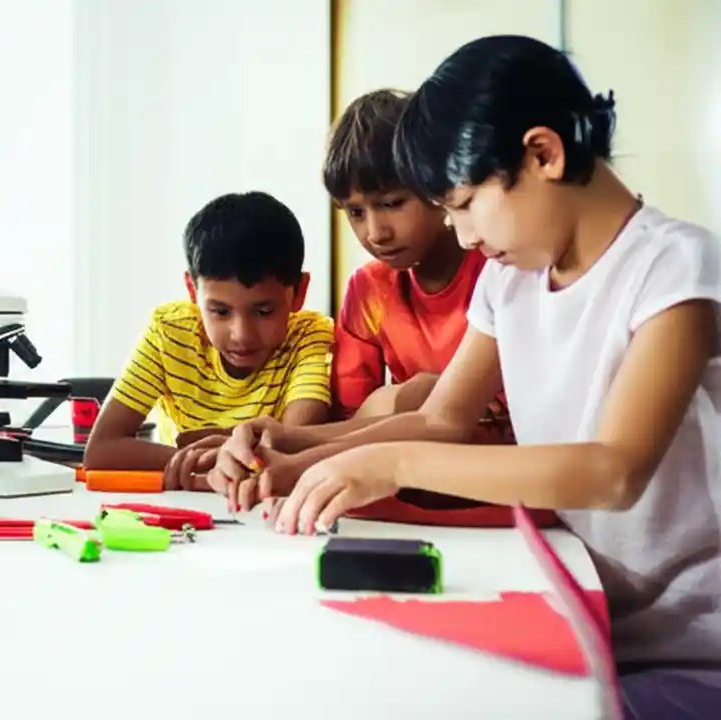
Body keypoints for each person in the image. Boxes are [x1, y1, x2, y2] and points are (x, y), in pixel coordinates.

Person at [253, 36, 721, 716]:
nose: (465, 236)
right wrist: (295, 457)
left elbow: (613, 472)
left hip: (695, 656)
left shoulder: (676, 266)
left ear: (542, 154)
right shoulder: (511, 280)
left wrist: (391, 462)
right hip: (581, 619)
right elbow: (444, 417)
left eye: (466, 202)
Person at [209, 88, 512, 512]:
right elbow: (352, 423)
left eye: (391, 203)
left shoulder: (498, 271)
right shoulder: (369, 289)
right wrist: (285, 443)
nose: (375, 232)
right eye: (354, 212)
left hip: (498, 480)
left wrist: (304, 458)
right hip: (400, 472)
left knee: (413, 394)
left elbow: (458, 421)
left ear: (436, 184)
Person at [83, 191, 333, 493]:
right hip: (189, 505)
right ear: (192, 290)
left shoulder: (310, 335)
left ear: (299, 292)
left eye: (264, 311)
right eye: (219, 311)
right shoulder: (169, 331)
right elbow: (101, 451)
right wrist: (216, 458)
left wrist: (214, 451)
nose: (241, 334)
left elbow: (296, 446)